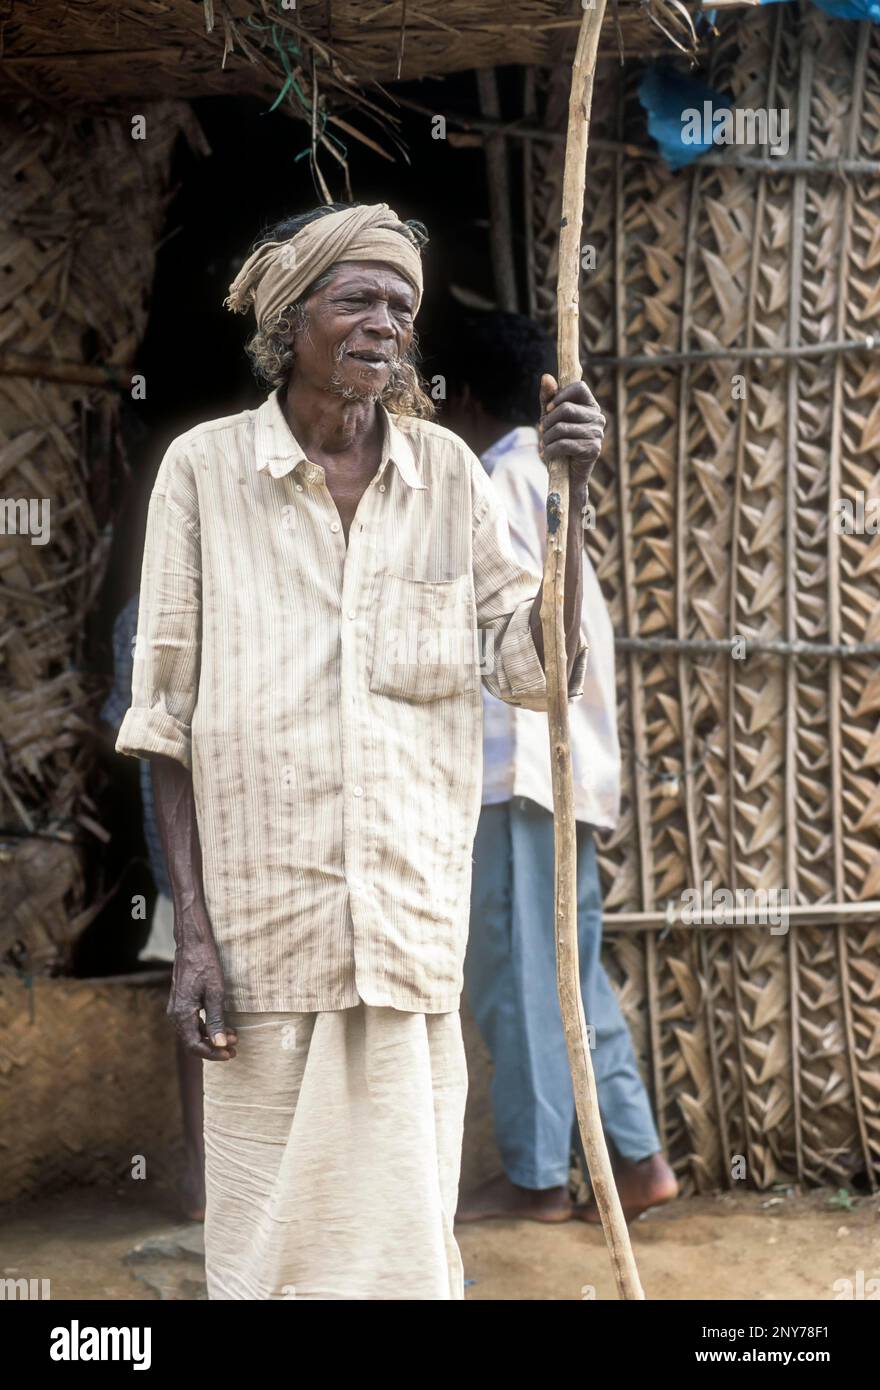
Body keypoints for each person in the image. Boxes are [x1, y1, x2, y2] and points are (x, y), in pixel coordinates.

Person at [113, 202, 603, 1300]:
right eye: (358, 299)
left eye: (403, 306)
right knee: (273, 1244)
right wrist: (190, 932)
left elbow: (535, 669)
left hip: (404, 926)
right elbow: (164, 719)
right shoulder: (202, 473)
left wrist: (573, 502)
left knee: (399, 1241)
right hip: (262, 933)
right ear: (291, 320)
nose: (386, 323)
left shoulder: (450, 479)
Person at [442, 311, 678, 1225]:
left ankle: (538, 1178)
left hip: (515, 774)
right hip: (564, 777)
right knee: (571, 976)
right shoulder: (548, 481)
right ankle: (639, 1159)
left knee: (513, 973)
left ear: (458, 398)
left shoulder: (497, 480)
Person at [101, 593, 207, 1221]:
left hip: (176, 861)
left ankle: (202, 1181)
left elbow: (121, 723)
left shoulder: (134, 613)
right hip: (224, 853)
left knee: (195, 1018)